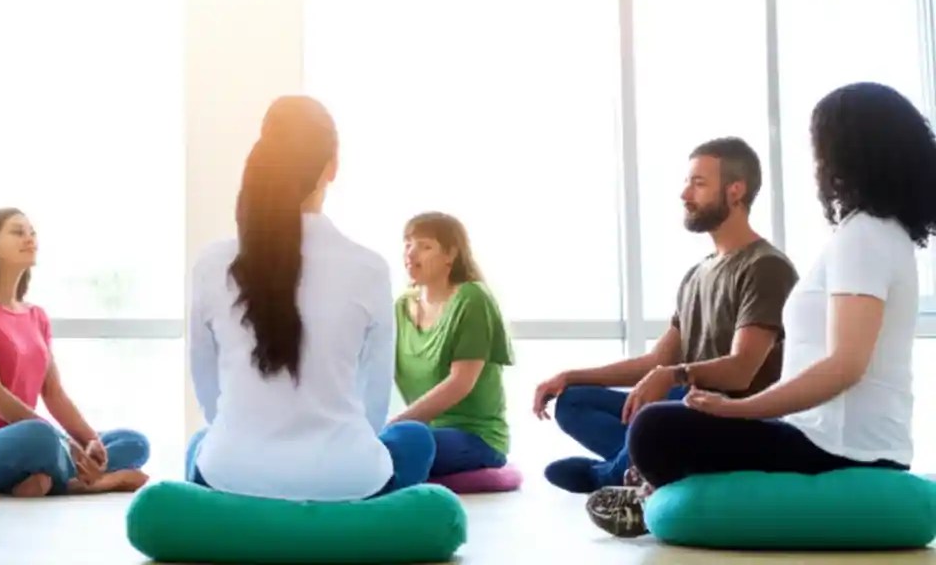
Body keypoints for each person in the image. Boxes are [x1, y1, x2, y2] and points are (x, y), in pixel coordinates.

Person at [587, 82, 936, 538]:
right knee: (666, 422)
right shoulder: (875, 233)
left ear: (848, 152)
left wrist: (744, 410)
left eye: (820, 148)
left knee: (653, 428)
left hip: (841, 449)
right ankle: (649, 490)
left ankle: (648, 492)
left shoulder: (866, 236)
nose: (817, 163)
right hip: (830, 437)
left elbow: (846, 365)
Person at [187, 95, 436, 501]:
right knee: (414, 440)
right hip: (345, 480)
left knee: (202, 443)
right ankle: (342, 525)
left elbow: (206, 383)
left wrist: (245, 441)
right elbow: (372, 405)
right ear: (332, 166)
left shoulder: (211, 263)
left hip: (234, 476)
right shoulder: (370, 268)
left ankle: (245, 520)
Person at [533, 137, 798, 493]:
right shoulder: (696, 275)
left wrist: (674, 374)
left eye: (698, 183)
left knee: (668, 405)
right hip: (685, 409)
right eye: (688, 182)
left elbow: (741, 370)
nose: (685, 194)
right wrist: (569, 375)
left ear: (735, 191)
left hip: (734, 417)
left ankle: (610, 476)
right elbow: (658, 360)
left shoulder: (765, 267)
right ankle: (632, 463)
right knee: (574, 400)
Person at [0, 207, 151, 496]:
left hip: (34, 440)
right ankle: (93, 483)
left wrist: (90, 441)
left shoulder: (36, 316)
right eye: (17, 232)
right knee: (41, 436)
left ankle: (45, 478)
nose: (29, 239)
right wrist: (63, 440)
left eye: (32, 232)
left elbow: (53, 394)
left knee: (134, 442)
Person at [391, 212, 513, 478]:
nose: (411, 254)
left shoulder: (472, 299)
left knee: (395, 447)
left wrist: (393, 426)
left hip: (476, 438)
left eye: (425, 246)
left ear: (451, 254)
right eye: (408, 243)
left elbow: (460, 383)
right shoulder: (401, 307)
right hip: (421, 430)